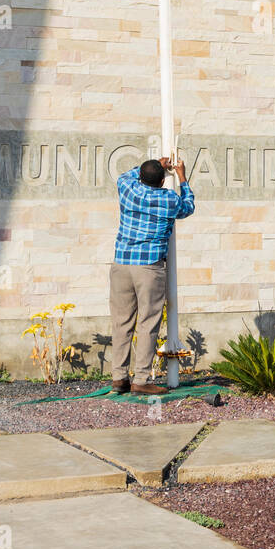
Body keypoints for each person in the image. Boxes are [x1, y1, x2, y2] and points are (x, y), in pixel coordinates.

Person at [109, 156, 195, 394]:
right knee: (148, 323)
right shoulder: (168, 199)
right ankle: (141, 380)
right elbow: (188, 206)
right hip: (149, 267)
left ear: (141, 177)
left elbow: (124, 176)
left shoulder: (128, 188)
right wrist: (182, 177)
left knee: (121, 323)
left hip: (121, 264)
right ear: (161, 181)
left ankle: (119, 378)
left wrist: (155, 162)